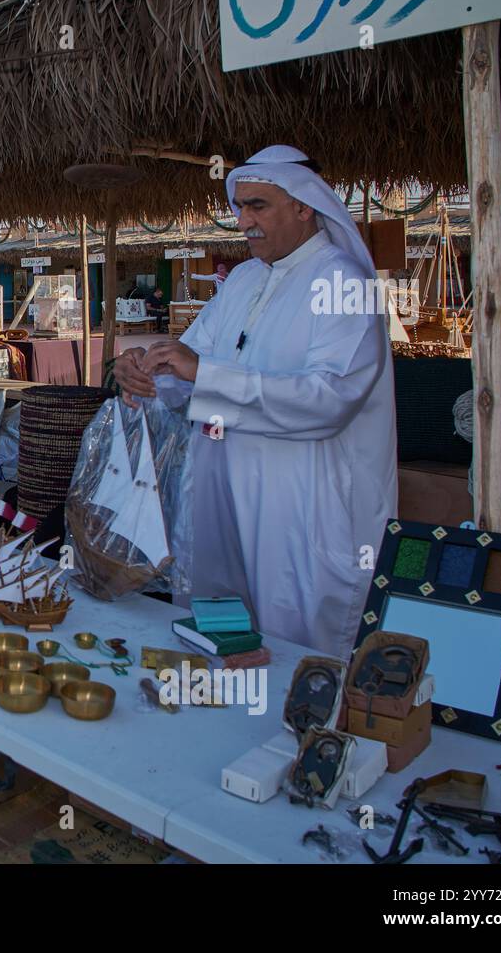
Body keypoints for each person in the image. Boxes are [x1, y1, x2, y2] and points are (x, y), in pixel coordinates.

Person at [112, 145, 396, 658]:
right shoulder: (242, 280)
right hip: (220, 489)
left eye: (258, 206)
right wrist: (146, 372)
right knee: (218, 631)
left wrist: (202, 373)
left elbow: (330, 400)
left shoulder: (343, 284)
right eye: (240, 207)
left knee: (297, 644)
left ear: (304, 206)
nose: (243, 221)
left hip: (301, 503)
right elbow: (189, 363)